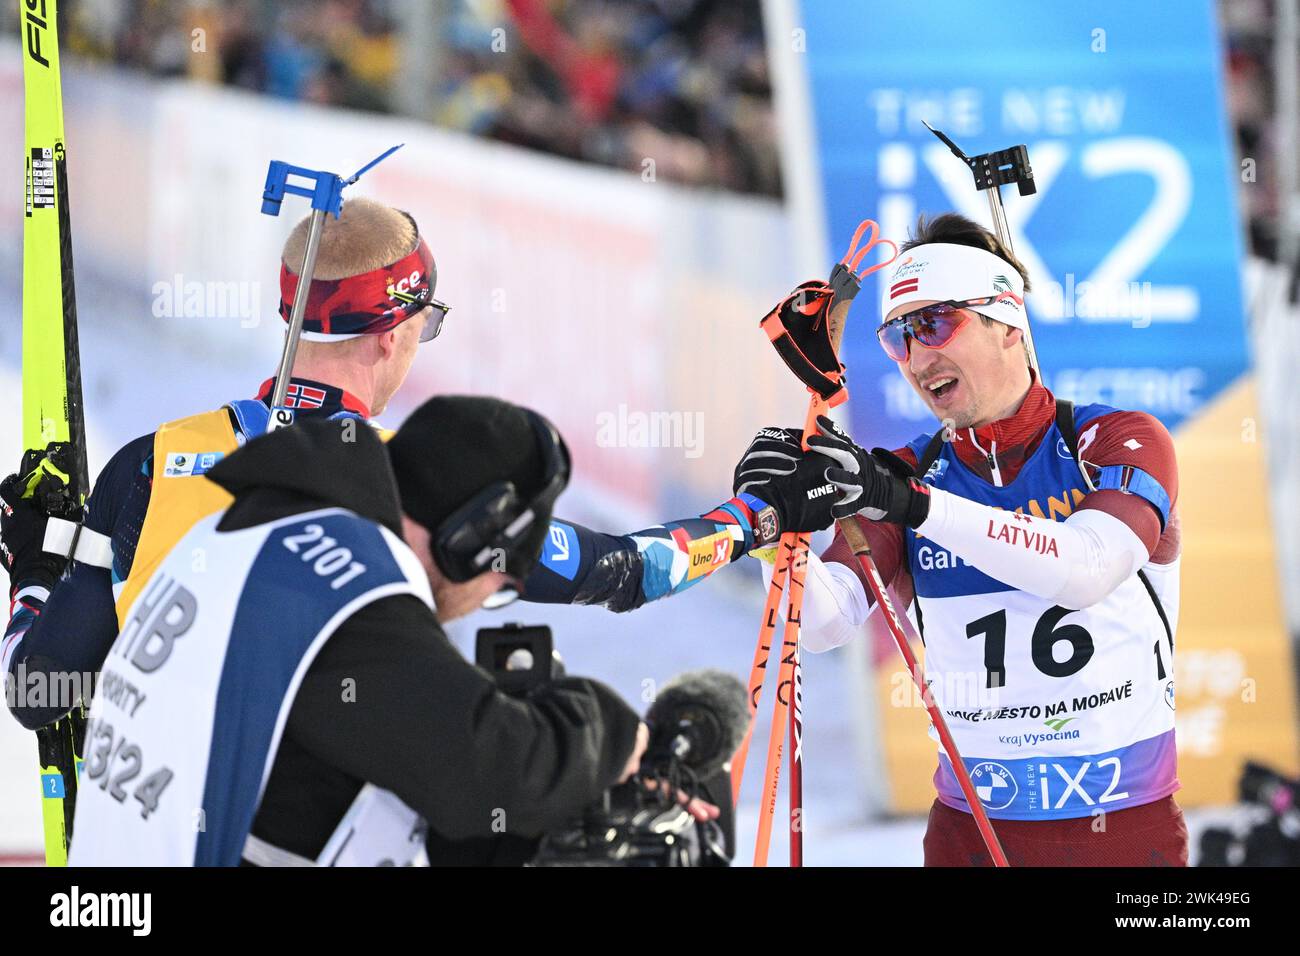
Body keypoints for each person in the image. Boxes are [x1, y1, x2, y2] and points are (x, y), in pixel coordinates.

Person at [3, 197, 820, 732]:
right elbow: (630, 571)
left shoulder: (150, 463)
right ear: (391, 334)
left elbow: (37, 691)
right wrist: (758, 516)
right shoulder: (425, 484)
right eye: (423, 328)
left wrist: (34, 575)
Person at [68, 395, 701, 866]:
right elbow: (495, 770)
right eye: (502, 580)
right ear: (468, 541)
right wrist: (621, 734)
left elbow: (382, 724)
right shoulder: (350, 582)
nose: (494, 598)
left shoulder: (263, 526)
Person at [738, 213, 1186, 867]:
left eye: (936, 323)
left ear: (1007, 321)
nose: (919, 357)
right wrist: (772, 528)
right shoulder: (905, 473)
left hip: (1121, 832)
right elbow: (822, 621)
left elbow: (1087, 568)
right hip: (971, 834)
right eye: (900, 337)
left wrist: (918, 507)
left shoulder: (1115, 441)